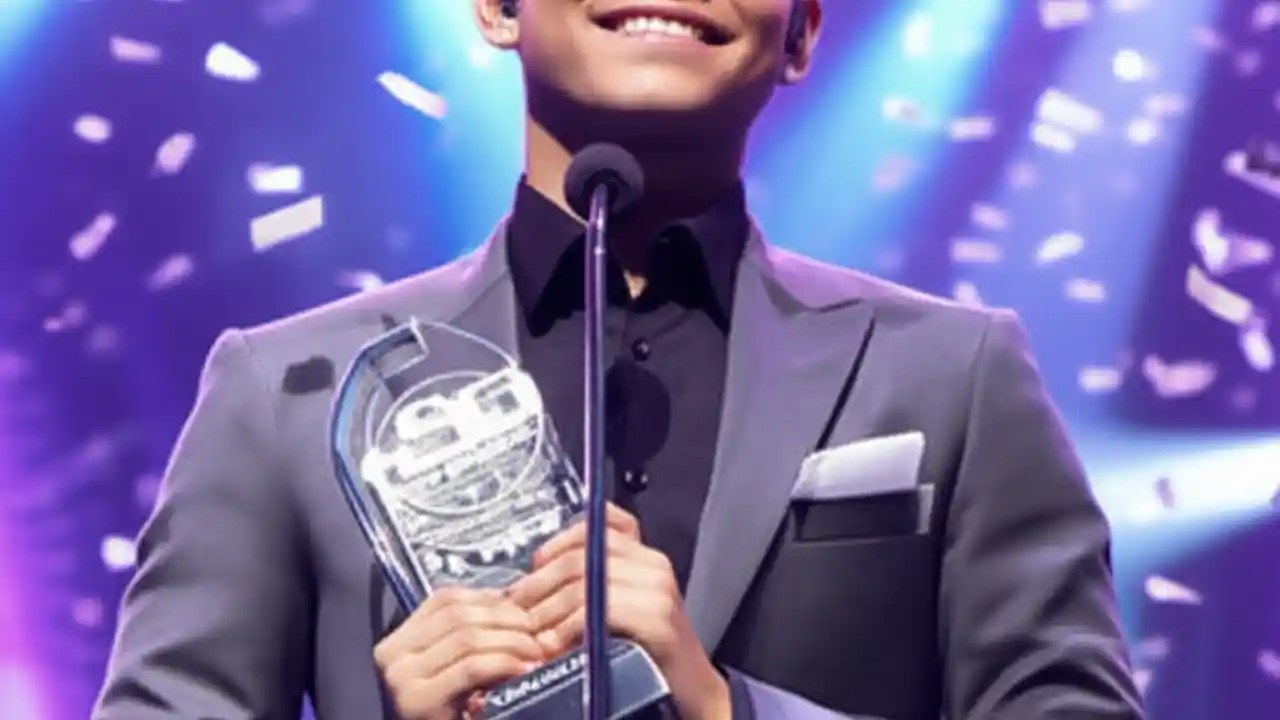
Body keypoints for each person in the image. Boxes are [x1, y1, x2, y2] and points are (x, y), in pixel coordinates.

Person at [95, 0, 1146, 718]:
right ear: (497, 7)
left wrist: (725, 709)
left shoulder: (954, 373)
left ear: (800, 30)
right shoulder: (281, 391)